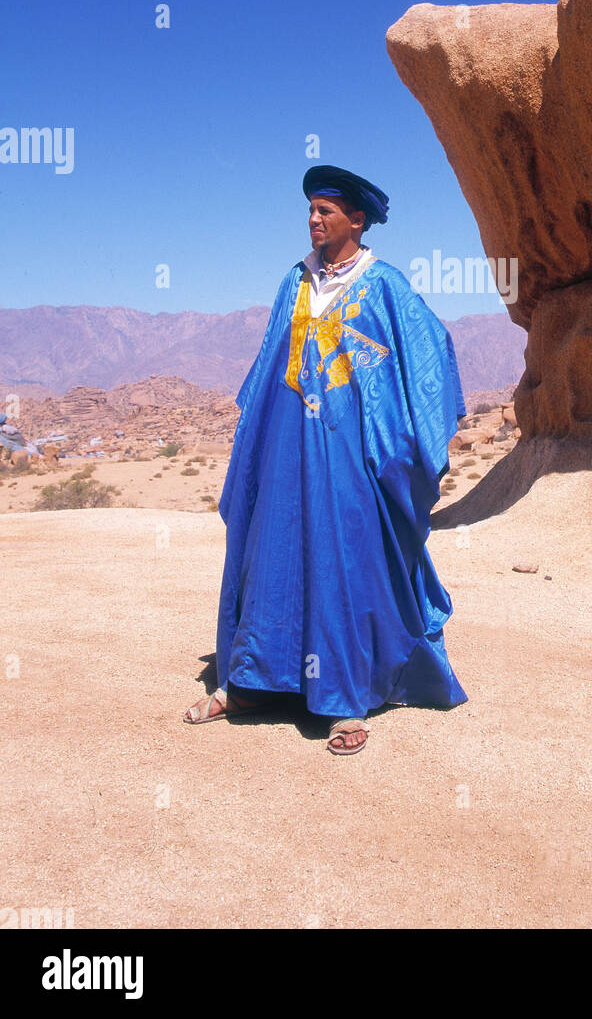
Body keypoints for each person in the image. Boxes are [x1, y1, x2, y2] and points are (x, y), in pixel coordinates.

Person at [183, 164, 468, 754]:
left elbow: (427, 350)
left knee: (343, 558)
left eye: (326, 211)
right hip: (287, 445)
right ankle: (252, 683)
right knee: (274, 553)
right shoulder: (296, 281)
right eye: (311, 209)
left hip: (349, 451)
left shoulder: (382, 283)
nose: (314, 219)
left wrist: (394, 428)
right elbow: (270, 363)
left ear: (356, 220)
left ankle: (344, 699)